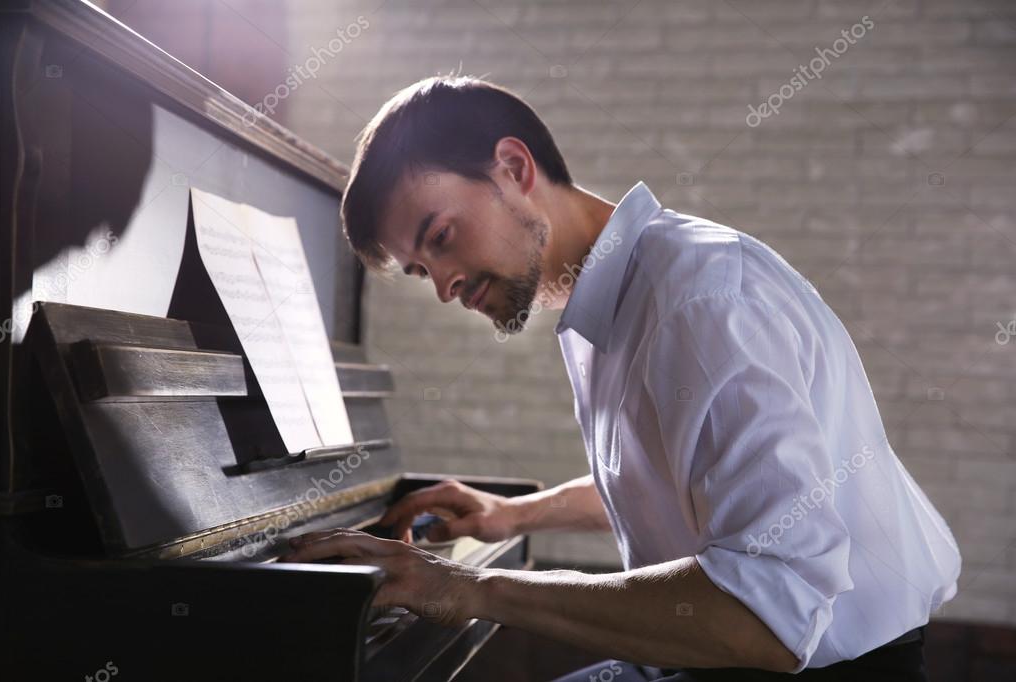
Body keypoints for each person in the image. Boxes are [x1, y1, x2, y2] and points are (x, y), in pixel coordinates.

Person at [280, 76, 961, 680]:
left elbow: (771, 612)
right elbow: (687, 480)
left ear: (514, 168)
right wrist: (516, 513)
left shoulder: (700, 303)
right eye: (422, 270)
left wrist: (467, 588)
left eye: (440, 237)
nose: (445, 286)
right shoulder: (617, 292)